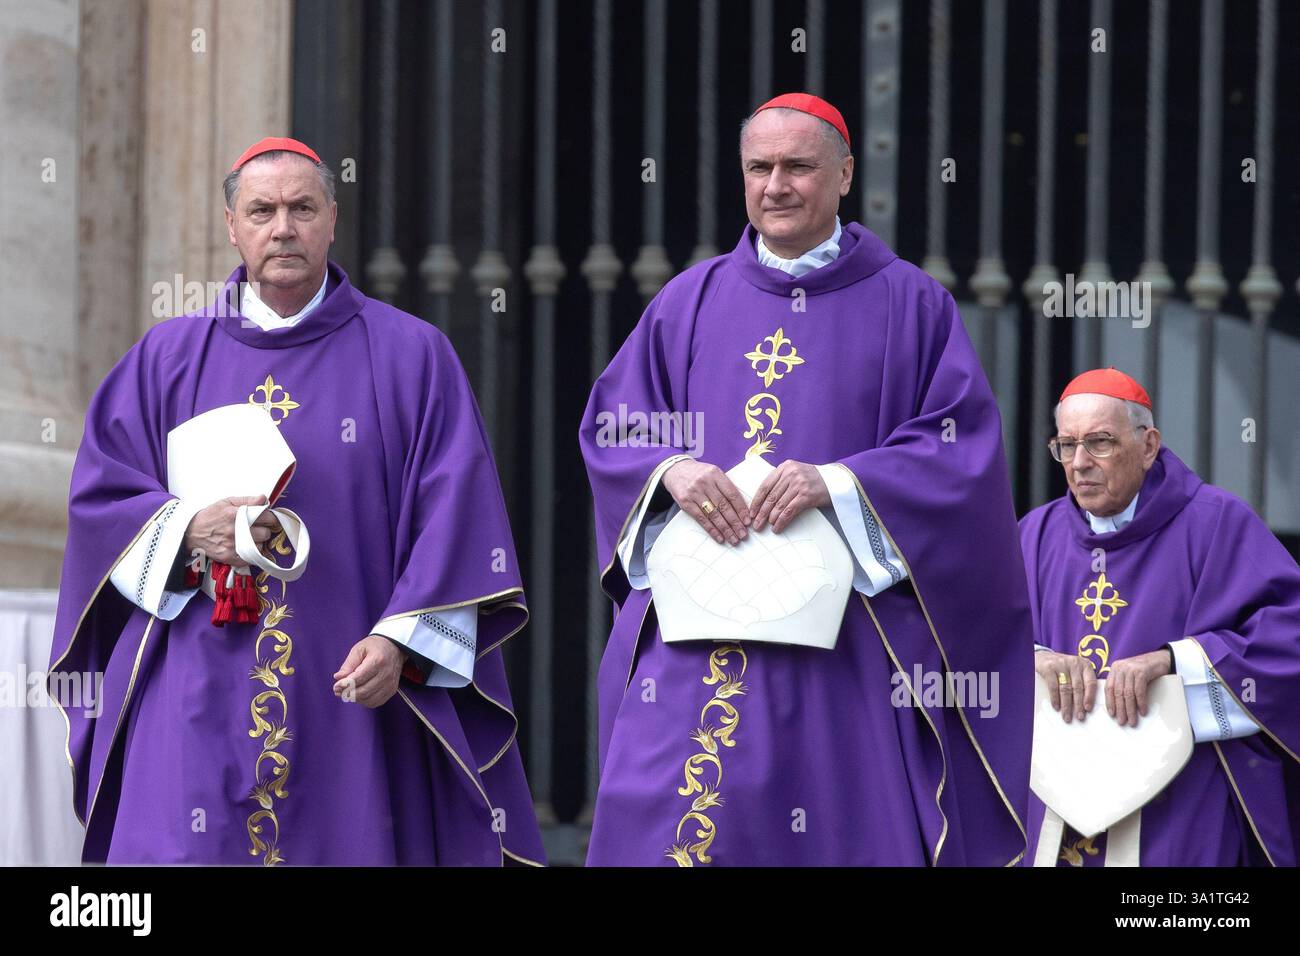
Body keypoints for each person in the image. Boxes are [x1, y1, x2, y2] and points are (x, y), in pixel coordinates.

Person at [47, 136, 543, 865]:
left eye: (302, 208)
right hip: (194, 690)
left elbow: (458, 520)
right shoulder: (166, 357)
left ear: (332, 220)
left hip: (352, 695)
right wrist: (185, 529)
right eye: (262, 211)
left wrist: (401, 644)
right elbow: (100, 502)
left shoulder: (411, 356)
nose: (283, 228)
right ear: (232, 226)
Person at [579, 94, 1033, 865]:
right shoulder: (689, 301)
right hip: (695, 632)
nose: (776, 186)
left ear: (846, 174)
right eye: (759, 167)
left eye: (799, 167)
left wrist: (841, 484)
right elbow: (615, 427)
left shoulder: (912, 305)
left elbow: (959, 455)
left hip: (846, 646)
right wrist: (672, 471)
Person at [1020, 367, 1300, 866]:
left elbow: (1287, 640)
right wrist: (1035, 659)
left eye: (1100, 442)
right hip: (1054, 796)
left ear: (1148, 446)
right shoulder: (1034, 535)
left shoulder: (1217, 523)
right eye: (1066, 445)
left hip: (1182, 799)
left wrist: (1174, 662)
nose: (1079, 463)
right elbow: (973, 640)